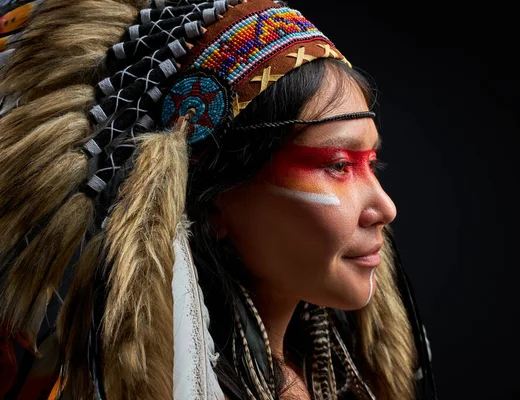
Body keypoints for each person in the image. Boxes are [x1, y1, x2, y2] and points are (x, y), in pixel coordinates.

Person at [0, 0, 436, 399]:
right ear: (216, 201)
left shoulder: (343, 375)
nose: (385, 208)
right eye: (338, 165)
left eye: (371, 164)